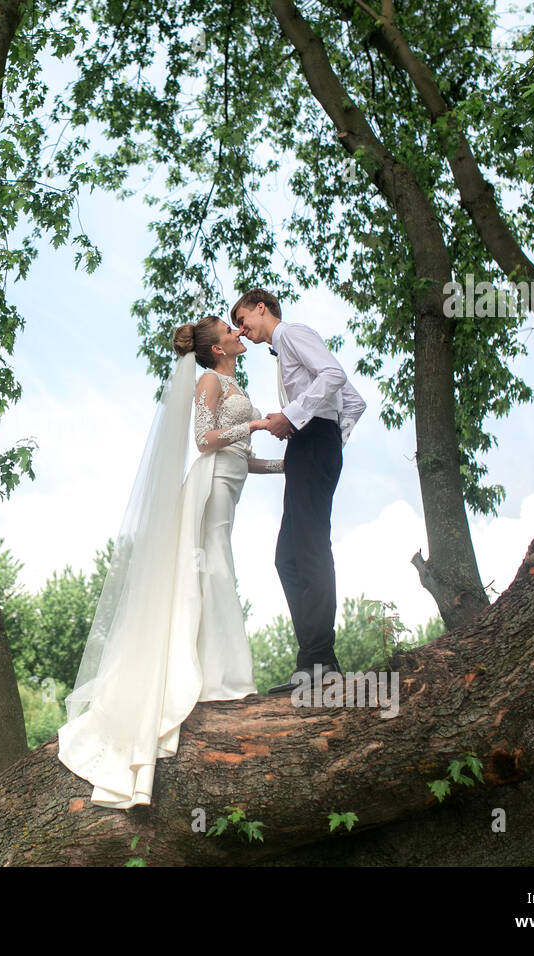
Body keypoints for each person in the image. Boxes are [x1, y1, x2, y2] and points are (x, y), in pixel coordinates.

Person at [56, 315, 277, 808]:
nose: (239, 334)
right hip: (210, 485)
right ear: (217, 347)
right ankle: (222, 681)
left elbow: (241, 451)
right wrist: (262, 422)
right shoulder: (209, 380)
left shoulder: (230, 380)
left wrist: (285, 463)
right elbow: (205, 440)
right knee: (216, 571)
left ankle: (219, 674)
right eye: (231, 330)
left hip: (230, 482)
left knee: (218, 571)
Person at [229, 289, 366, 695]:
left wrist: (294, 419)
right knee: (288, 558)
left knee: (307, 552)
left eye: (243, 319)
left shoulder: (291, 334)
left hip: (311, 445)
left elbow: (334, 376)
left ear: (261, 307)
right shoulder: (284, 346)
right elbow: (354, 403)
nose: (242, 330)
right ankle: (316, 659)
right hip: (312, 448)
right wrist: (324, 443)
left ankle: (319, 664)